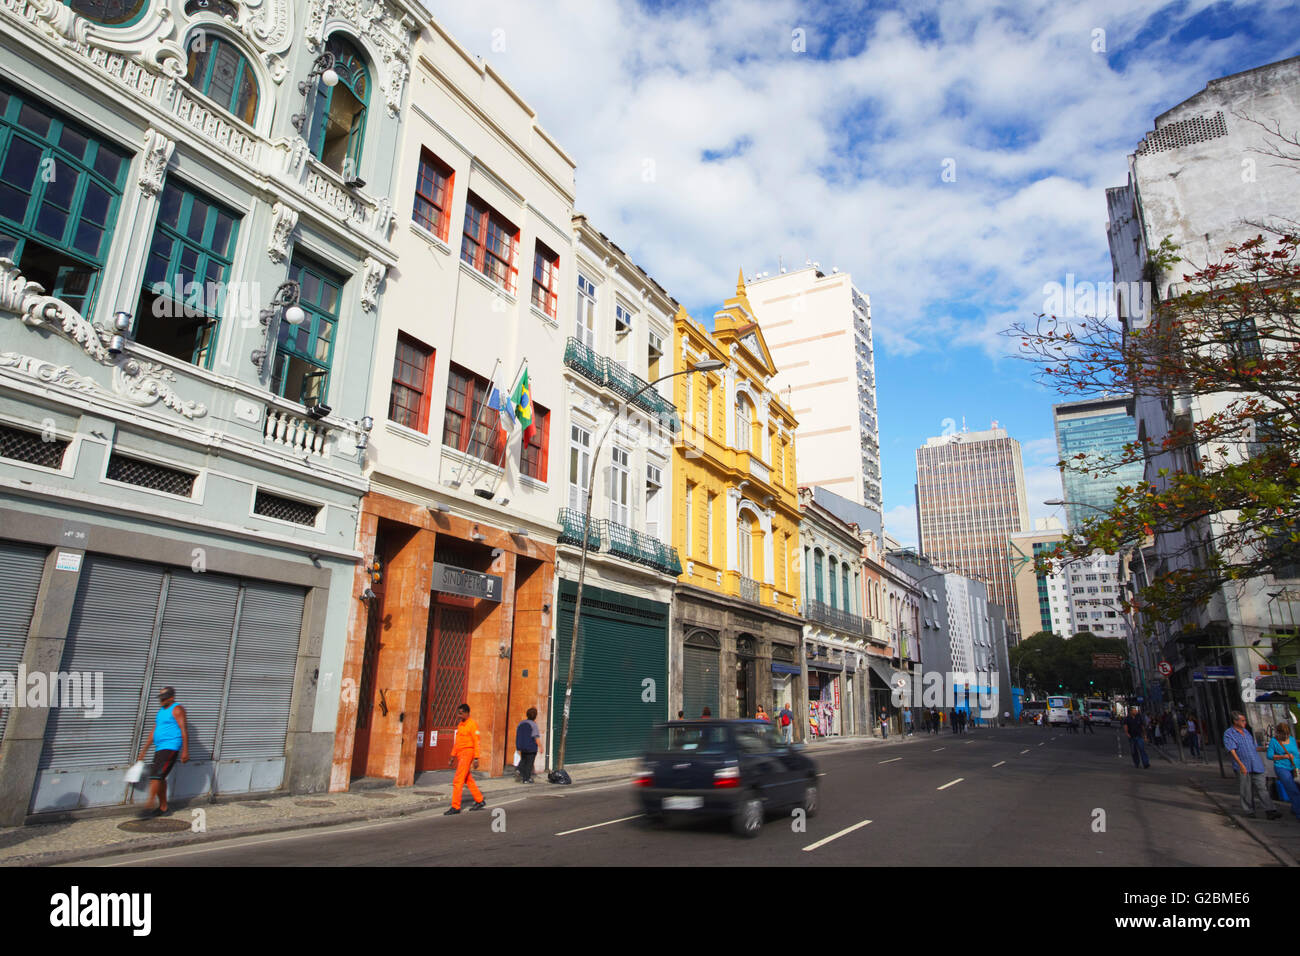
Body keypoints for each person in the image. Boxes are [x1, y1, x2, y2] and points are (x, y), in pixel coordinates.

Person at [136, 685, 188, 817]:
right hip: (160, 747)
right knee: (160, 777)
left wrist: (185, 751)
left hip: (171, 746)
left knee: (155, 776)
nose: (161, 701)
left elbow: (183, 729)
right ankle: (164, 807)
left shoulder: (177, 709)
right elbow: (154, 731)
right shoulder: (161, 711)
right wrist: (144, 750)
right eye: (160, 698)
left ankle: (149, 805)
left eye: (164, 698)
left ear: (171, 697)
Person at [1224, 710, 1280, 819]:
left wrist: (1265, 748)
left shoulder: (1247, 732)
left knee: (1262, 788)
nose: (1245, 722)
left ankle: (1270, 810)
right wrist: (1241, 765)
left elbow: (1254, 747)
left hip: (1256, 764)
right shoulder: (1229, 733)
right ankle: (1249, 810)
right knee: (1246, 790)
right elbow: (1232, 751)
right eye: (1242, 720)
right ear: (1235, 721)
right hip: (1243, 765)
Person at [444, 703, 486, 815]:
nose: (459, 715)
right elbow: (457, 742)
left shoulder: (472, 725)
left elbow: (477, 742)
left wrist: (476, 758)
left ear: (467, 713)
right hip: (461, 754)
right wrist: (452, 756)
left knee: (458, 780)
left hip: (467, 753)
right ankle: (480, 800)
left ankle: (455, 806)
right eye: (458, 713)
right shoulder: (460, 725)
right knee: (467, 779)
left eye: (461, 713)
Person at [1266, 722, 1300, 821]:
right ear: (1278, 733)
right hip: (1281, 767)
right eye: (1283, 734)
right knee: (1292, 790)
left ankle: (1295, 808)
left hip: (1295, 767)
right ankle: (1299, 813)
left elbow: (1296, 754)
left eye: (1287, 734)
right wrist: (1283, 756)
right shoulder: (1274, 741)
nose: (1285, 736)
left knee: (1298, 788)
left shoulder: (1292, 740)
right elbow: (1269, 755)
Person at [515, 706, 541, 784]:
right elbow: (536, 737)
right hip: (531, 747)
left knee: (523, 759)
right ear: (535, 716)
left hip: (522, 746)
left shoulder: (521, 723)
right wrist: (540, 746)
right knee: (529, 763)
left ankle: (519, 769)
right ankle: (526, 779)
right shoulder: (533, 725)